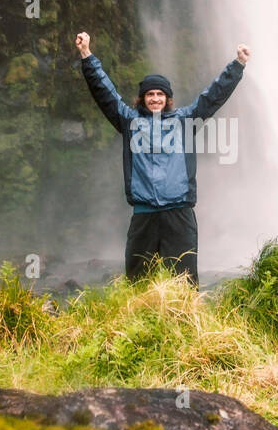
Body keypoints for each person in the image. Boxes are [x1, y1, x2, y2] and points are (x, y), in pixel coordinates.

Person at [76, 31, 250, 286]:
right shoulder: (130, 121)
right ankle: (140, 321)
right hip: (144, 213)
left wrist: (238, 65)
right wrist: (86, 55)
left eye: (160, 94)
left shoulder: (184, 120)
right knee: (137, 279)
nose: (155, 98)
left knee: (185, 280)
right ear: (143, 99)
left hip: (179, 212)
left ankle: (186, 322)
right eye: (150, 94)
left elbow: (212, 96)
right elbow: (105, 93)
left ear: (167, 99)